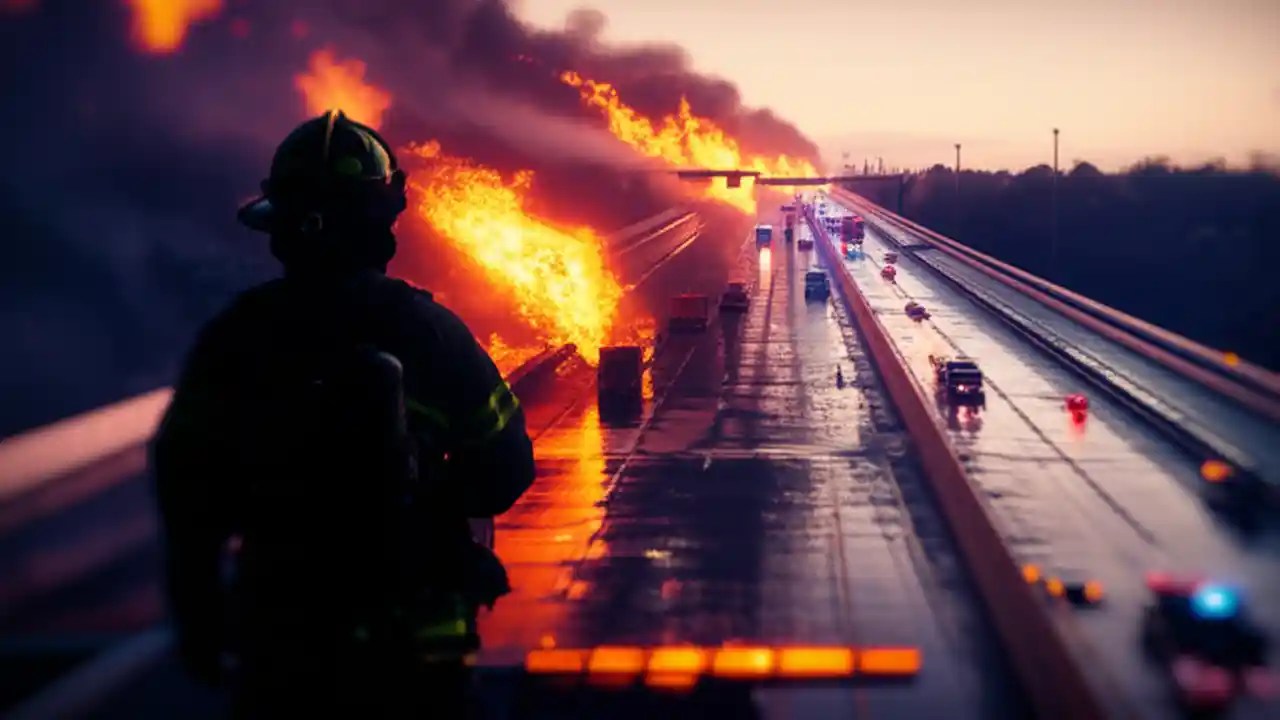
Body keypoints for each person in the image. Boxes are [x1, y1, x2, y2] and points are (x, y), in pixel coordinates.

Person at [151, 110, 536, 717]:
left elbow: (186, 493)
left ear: (279, 227)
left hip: (282, 655)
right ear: (382, 221)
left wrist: (199, 620)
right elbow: (507, 469)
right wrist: (424, 494)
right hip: (416, 660)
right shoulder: (430, 334)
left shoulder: (234, 339)